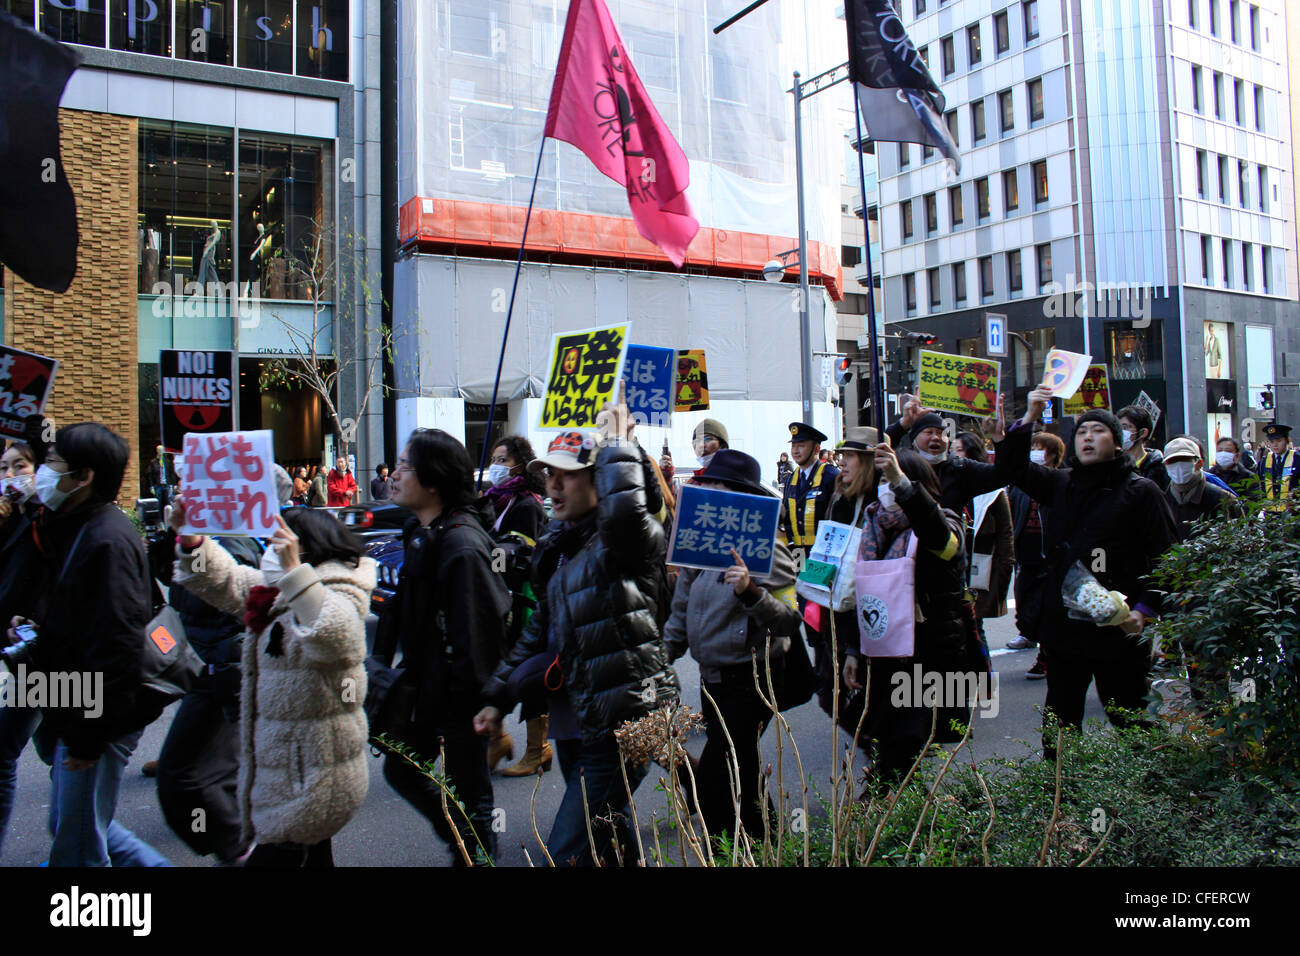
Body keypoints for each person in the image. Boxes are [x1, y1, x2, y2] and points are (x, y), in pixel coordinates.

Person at [476, 388, 679, 867]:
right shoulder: (559, 547)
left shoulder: (633, 540)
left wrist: (617, 446)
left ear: (602, 480)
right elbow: (536, 632)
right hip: (575, 721)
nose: (553, 485)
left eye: (569, 474)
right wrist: (497, 697)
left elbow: (628, 513)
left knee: (568, 846)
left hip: (623, 722)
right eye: (550, 474)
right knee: (608, 834)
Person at [172, 504, 375, 867]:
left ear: (304, 550)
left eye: (275, 545)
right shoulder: (276, 592)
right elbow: (226, 581)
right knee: (312, 855)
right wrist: (193, 542)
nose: (266, 554)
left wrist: (294, 572)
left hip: (310, 779)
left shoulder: (340, 590)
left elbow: (337, 634)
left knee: (288, 850)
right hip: (294, 771)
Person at [17, 423, 170, 866]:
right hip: (79, 708)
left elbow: (116, 649)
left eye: (51, 464)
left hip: (99, 716)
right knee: (73, 826)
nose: (41, 472)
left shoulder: (107, 540)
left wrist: (85, 740)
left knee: (79, 847)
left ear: (83, 478)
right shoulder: (76, 523)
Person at [995, 391, 1179, 743]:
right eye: (1081, 432)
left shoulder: (1142, 491)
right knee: (1061, 720)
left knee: (1130, 715)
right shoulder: (1060, 483)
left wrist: (1144, 609)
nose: (1088, 438)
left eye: (1098, 431)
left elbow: (1166, 558)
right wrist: (1029, 416)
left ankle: (1159, 791)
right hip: (1065, 625)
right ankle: (1059, 791)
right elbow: (1013, 469)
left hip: (1119, 623)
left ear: (1118, 441)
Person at [381, 429, 511, 865]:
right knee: (401, 766)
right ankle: (463, 843)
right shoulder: (422, 532)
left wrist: (485, 702)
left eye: (404, 466)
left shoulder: (462, 544)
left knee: (473, 795)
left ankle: (474, 851)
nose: (393, 474)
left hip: (461, 698)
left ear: (433, 481)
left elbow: (479, 634)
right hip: (427, 688)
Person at [662, 450, 801, 839]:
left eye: (715, 485)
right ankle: (767, 847)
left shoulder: (765, 546)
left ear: (738, 496)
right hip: (712, 680)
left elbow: (791, 618)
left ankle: (746, 847)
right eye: (705, 483)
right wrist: (661, 657)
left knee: (718, 779)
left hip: (752, 679)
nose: (705, 490)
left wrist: (751, 591)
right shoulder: (700, 542)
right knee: (741, 772)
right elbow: (681, 609)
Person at [843, 443, 981, 784]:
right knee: (880, 736)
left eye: (893, 481)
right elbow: (859, 595)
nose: (886, 488)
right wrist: (852, 651)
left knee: (905, 741)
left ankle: (891, 813)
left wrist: (904, 487)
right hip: (883, 655)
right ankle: (898, 810)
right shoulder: (871, 524)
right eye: (882, 480)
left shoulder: (945, 522)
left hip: (928, 655)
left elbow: (937, 535)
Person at [0, 441, 43, 858]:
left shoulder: (49, 520)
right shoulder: (8, 518)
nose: (12, 475)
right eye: (5, 467)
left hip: (39, 661)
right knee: (57, 750)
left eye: (21, 466)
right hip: (11, 656)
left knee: (3, 749)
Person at [822, 427, 879, 739]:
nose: (841, 462)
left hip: (870, 616)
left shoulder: (882, 505)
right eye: (841, 456)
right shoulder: (842, 500)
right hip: (838, 612)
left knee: (860, 700)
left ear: (869, 462)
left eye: (851, 456)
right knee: (829, 695)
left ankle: (886, 767)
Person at [779, 422, 840, 700]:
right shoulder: (792, 479)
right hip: (799, 555)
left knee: (821, 613)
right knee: (807, 612)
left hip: (823, 555)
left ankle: (828, 670)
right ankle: (823, 669)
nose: (795, 450)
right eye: (793, 445)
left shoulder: (830, 476)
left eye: (801, 445)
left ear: (816, 449)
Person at [1006, 431, 1066, 680]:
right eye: (1033, 447)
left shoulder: (1061, 482)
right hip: (1026, 551)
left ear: (1053, 454)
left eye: (1040, 447)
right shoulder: (1020, 485)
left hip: (1050, 556)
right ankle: (1029, 635)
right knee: (1023, 597)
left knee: (1045, 608)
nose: (1035, 451)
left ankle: (1046, 658)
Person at [952, 432, 1014, 653]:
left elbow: (1005, 534)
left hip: (980, 569)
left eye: (958, 450)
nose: (953, 455)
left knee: (976, 627)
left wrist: (1004, 570)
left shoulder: (994, 491)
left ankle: (985, 683)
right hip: (954, 567)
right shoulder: (950, 483)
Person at [1161, 437, 1244, 539]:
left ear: (1199, 463)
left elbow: (1238, 541)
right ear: (1165, 465)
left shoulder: (1223, 500)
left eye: (1184, 460)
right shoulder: (1162, 501)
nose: (1178, 466)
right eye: (1172, 462)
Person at [483, 436, 546, 542]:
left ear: (519, 468)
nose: (494, 465)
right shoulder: (492, 497)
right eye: (493, 460)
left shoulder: (527, 505)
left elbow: (519, 551)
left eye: (502, 460)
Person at [1116, 405, 1169, 491]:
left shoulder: (1159, 467)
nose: (1120, 432)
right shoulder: (1114, 465)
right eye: (1118, 427)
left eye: (1125, 427)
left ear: (1142, 433)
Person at [1255, 423, 1297, 511]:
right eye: (1271, 441)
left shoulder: (1297, 459)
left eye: (1279, 440)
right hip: (1270, 512)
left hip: (1293, 511)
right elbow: (1261, 485)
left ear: (1287, 441)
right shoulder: (1264, 461)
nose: (1275, 445)